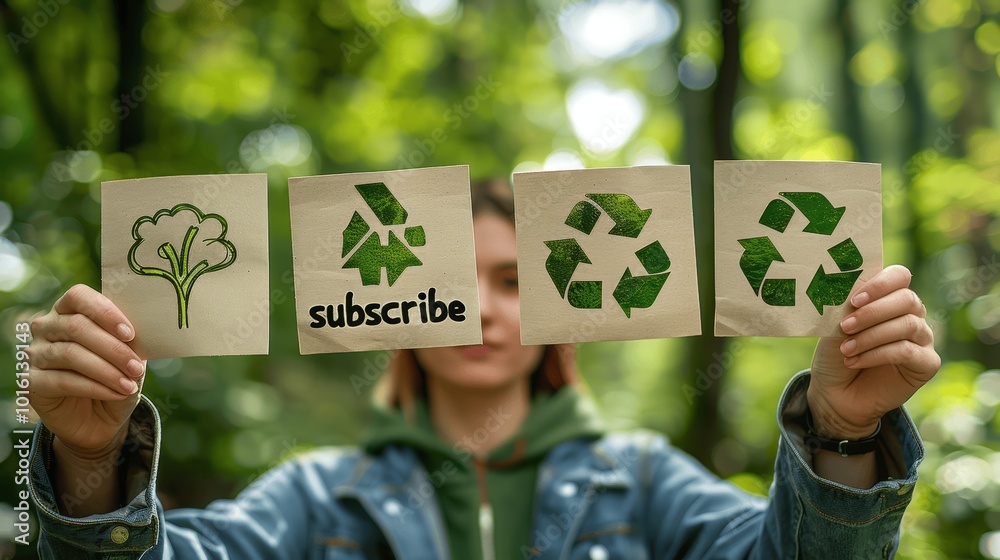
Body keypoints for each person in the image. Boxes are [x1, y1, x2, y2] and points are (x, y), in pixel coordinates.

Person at [26, 178, 939, 559]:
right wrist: (92, 466)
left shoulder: (651, 484)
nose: (483, 306)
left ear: (559, 310)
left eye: (513, 280)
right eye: (452, 280)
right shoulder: (315, 498)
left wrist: (842, 429)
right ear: (396, 307)